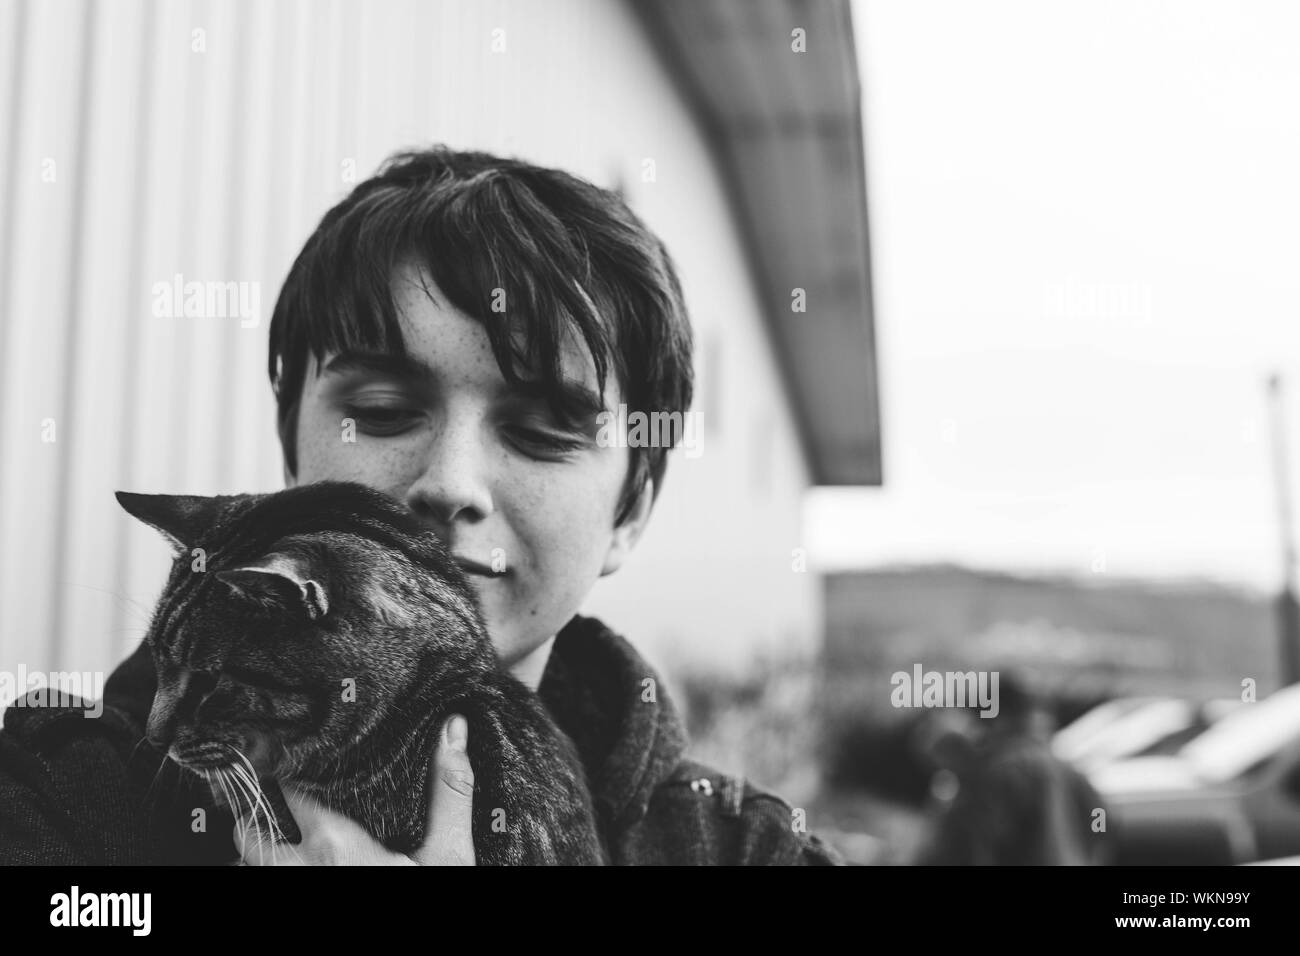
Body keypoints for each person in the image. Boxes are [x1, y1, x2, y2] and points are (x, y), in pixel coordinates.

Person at [0, 146, 841, 866]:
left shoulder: (749, 852)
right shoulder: (46, 809)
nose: (450, 483)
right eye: (386, 412)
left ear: (630, 512)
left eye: (543, 431)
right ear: (296, 456)